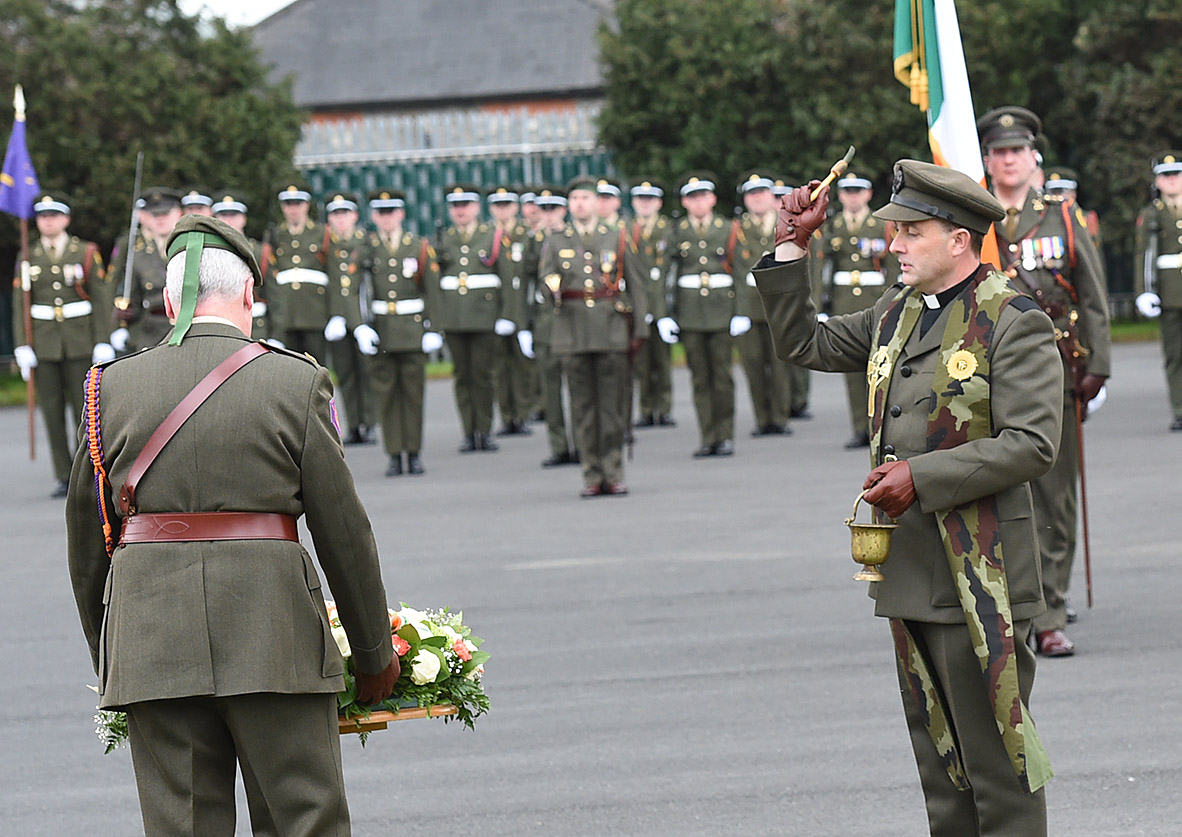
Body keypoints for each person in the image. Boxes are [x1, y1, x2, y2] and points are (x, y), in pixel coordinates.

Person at [66, 214, 399, 834]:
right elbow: (344, 534)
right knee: (304, 819)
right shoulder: (294, 381)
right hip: (274, 636)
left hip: (152, 640)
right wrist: (375, 653)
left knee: (186, 827)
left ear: (168, 301)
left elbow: (88, 547)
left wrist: (110, 657)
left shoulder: (107, 389)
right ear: (250, 294)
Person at [756, 160, 1060, 836]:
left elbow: (1033, 444)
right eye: (895, 230)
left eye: (910, 231)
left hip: (980, 578)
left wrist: (921, 476)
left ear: (958, 239)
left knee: (997, 772)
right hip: (910, 574)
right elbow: (804, 341)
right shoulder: (896, 312)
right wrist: (791, 249)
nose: (893, 243)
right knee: (944, 775)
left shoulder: (1011, 318)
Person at [978, 106, 1111, 657]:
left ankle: (1049, 614)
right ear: (985, 159)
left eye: (1017, 151)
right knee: (999, 495)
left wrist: (1098, 366)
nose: (1009, 160)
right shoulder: (972, 217)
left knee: (1053, 499)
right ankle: (1009, 609)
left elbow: (1094, 295)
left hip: (1055, 371)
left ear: (1033, 157)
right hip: (984, 372)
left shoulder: (1063, 215)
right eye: (998, 151)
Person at [539, 176, 647, 496]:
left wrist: (640, 328)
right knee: (582, 408)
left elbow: (637, 285)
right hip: (572, 330)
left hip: (610, 327)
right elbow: (545, 278)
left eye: (585, 198)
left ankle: (613, 471)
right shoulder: (557, 240)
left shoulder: (617, 237)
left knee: (612, 406)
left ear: (597, 203)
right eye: (574, 199)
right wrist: (550, 287)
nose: (579, 205)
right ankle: (591, 474)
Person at [11, 192, 113, 497]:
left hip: (80, 341)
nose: (48, 221)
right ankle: (64, 475)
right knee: (52, 412)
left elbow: (101, 297)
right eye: (43, 216)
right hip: (44, 344)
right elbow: (21, 303)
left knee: (85, 412)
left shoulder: (84, 251)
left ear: (66, 219)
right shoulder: (28, 255)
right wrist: (22, 345)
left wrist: (103, 339)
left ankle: (91, 472)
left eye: (54, 216)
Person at [355, 188, 444, 475]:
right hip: (380, 329)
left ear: (401, 214)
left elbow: (432, 290)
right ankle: (394, 453)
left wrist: (434, 328)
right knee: (387, 396)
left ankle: (414, 452)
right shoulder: (367, 248)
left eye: (390, 212)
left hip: (411, 329)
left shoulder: (417, 246)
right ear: (373, 216)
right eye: (380, 213)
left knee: (413, 394)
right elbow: (352, 289)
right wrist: (360, 326)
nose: (386, 218)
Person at [661, 171, 746, 457]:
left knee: (722, 377)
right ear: (685, 202)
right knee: (699, 378)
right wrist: (666, 314)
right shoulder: (676, 230)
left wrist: (741, 312)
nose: (698, 203)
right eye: (691, 198)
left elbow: (741, 271)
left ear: (712, 199)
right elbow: (667, 274)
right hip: (690, 312)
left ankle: (725, 435)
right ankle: (708, 435)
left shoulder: (728, 228)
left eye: (702, 197)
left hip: (722, 309)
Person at [810, 169, 896, 448]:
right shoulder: (832, 226)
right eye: (847, 191)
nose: (852, 196)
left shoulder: (882, 224)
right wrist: (821, 303)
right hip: (843, 303)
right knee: (852, 372)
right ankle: (860, 427)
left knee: (882, 370)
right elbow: (822, 267)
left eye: (858, 191)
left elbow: (893, 266)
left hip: (876, 301)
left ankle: (882, 427)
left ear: (868, 194)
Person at [434, 183, 519, 452]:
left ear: (476, 207)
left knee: (483, 376)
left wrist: (508, 315)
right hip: (454, 318)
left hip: (484, 318)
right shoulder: (443, 239)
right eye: (455, 206)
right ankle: (468, 432)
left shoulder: (492, 236)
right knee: (462, 377)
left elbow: (508, 279)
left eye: (466, 205)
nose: (461, 211)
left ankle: (484, 430)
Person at [734, 170, 794, 437]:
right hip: (749, 307)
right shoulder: (737, 230)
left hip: (778, 306)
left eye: (761, 193)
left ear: (773, 197)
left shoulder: (786, 226)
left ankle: (780, 416)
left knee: (780, 365)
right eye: (751, 194)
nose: (757, 199)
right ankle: (762, 418)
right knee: (753, 365)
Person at [522, 185, 579, 467]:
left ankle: (582, 443)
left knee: (578, 388)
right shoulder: (531, 241)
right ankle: (559, 446)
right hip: (544, 322)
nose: (547, 215)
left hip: (571, 320)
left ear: (563, 211)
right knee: (551, 390)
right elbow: (522, 278)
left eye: (552, 209)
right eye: (542, 209)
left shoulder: (574, 237)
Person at [322, 192, 378, 445]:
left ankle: (370, 422)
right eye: (335, 214)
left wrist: (359, 322)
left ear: (354, 216)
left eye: (344, 213)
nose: (340, 219)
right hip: (336, 323)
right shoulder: (327, 247)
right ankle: (354, 424)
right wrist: (334, 315)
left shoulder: (366, 243)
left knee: (366, 372)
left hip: (362, 320)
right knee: (345, 375)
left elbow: (363, 285)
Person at [1134, 151, 1182, 432]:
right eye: (1166, 175)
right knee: (1175, 355)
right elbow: (1144, 255)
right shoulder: (1151, 214)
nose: (1172, 180)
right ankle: (1179, 408)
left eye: (1177, 174)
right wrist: (1145, 291)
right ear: (1157, 181)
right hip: (1170, 293)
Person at [263, 181, 333, 360]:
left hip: (315, 314)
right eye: (288, 204)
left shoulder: (322, 233)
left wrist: (334, 313)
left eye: (298, 204)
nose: (293, 209)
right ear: (282, 207)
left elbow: (332, 272)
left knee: (316, 367)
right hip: (286, 315)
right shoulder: (276, 235)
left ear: (307, 205)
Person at [108, 186, 182, 353]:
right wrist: (122, 318)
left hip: (186, 329)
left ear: (178, 213)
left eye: (165, 214)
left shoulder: (192, 248)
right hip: (151, 332)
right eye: (155, 215)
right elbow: (131, 296)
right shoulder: (138, 254)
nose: (160, 219)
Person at [628, 177, 677, 428]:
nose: (644, 205)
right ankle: (647, 408)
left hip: (660, 306)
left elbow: (669, 271)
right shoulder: (627, 230)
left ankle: (664, 407)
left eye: (649, 200)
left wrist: (665, 310)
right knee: (642, 363)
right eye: (640, 200)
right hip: (638, 307)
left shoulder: (667, 229)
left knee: (663, 361)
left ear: (658, 203)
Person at [486, 185, 533, 437]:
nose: (502, 210)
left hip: (522, 310)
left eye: (506, 205)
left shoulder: (526, 236)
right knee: (499, 368)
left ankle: (523, 414)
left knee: (522, 366)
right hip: (495, 312)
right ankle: (507, 416)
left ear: (515, 207)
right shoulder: (488, 236)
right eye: (497, 205)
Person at [211, 190, 271, 340]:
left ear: (243, 218)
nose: (228, 220)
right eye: (223, 215)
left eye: (233, 215)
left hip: (255, 324)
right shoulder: (208, 252)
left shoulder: (259, 251)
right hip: (218, 323)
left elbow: (274, 295)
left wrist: (277, 335)